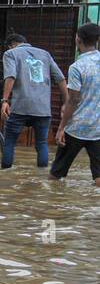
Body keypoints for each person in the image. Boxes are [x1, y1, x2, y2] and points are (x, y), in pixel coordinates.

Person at [0, 32, 67, 169]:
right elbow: (60, 78)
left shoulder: (11, 53)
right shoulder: (45, 54)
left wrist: (4, 100)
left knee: (10, 142)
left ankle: (4, 174)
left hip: (20, 107)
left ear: (11, 45)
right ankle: (41, 177)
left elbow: (10, 77)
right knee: (42, 143)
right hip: (42, 109)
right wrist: (67, 101)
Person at [51, 21, 100, 185]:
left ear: (77, 39)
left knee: (55, 176)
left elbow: (73, 100)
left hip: (76, 128)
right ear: (97, 40)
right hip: (98, 129)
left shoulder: (77, 67)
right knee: (99, 178)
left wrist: (61, 127)